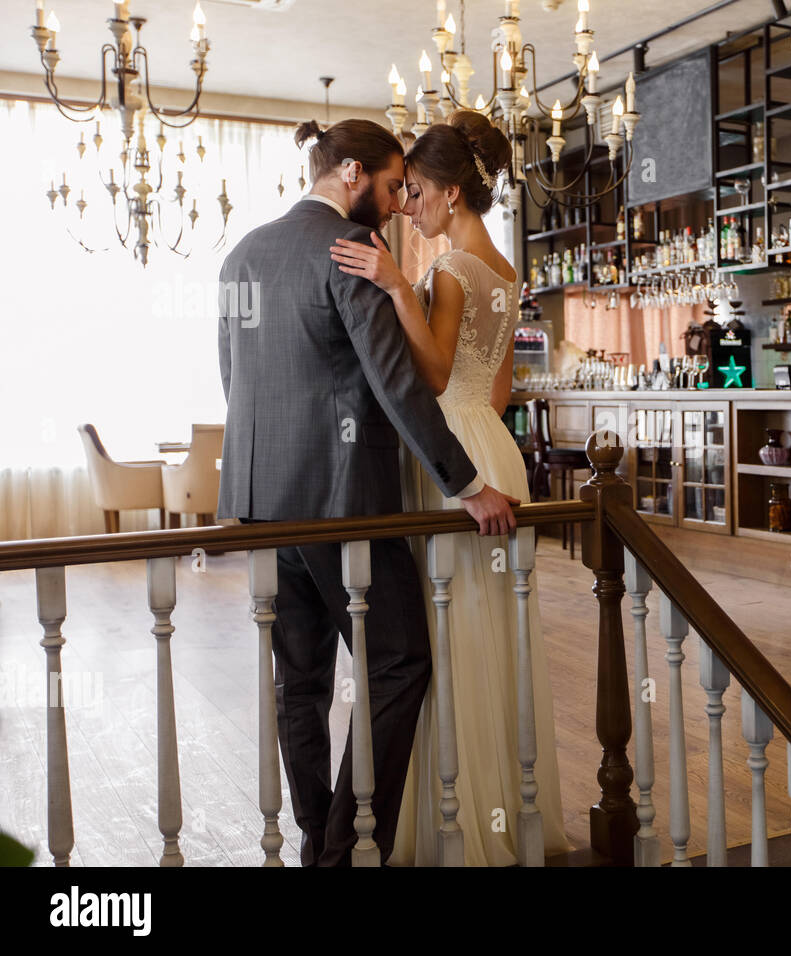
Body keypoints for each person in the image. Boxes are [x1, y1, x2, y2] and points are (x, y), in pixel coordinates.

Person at [216, 117, 519, 867]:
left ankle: (319, 839)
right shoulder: (353, 253)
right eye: (389, 188)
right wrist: (467, 483)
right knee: (398, 663)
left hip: (262, 504)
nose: (393, 206)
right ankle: (349, 850)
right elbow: (399, 385)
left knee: (302, 683)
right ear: (351, 174)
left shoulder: (241, 255)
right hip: (347, 501)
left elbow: (235, 382)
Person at [329, 110, 569, 865]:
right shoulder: (507, 272)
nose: (410, 206)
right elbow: (495, 393)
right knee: (485, 625)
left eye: (421, 193)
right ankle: (504, 808)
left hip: (450, 461)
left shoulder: (449, 273)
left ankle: (446, 822)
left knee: (439, 630)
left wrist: (399, 286)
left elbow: (432, 376)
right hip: (493, 449)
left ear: (454, 194)